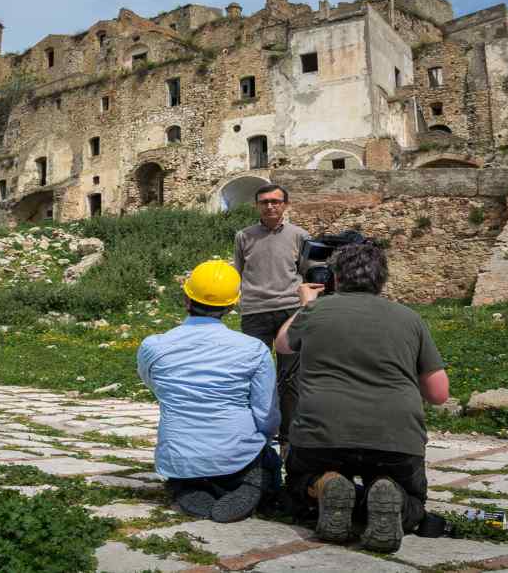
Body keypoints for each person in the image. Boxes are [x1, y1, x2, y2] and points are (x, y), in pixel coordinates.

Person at [273, 242, 452, 552]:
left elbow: (283, 345)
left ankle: (324, 483)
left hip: (322, 436)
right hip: (395, 438)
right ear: (381, 280)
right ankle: (391, 494)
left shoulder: (315, 311)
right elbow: (439, 394)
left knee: (299, 487)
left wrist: (306, 304)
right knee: (412, 497)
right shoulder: (410, 318)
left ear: (336, 278)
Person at [137, 260, 281, 523]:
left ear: (186, 299)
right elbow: (266, 413)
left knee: (182, 470)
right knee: (267, 458)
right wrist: (266, 437)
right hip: (237, 452)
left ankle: (186, 487)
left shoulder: (153, 347)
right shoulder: (254, 350)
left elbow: (155, 386)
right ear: (232, 305)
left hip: (180, 453)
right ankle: (251, 483)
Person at [233, 184, 310, 451]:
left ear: (285, 205)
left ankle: (289, 439)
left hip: (290, 310)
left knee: (290, 376)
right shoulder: (244, 236)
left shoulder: (299, 235)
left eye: (275, 201)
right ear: (257, 206)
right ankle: (256, 435)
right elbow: (240, 271)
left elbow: (304, 272)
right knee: (254, 374)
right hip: (255, 312)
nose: (270, 206)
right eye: (264, 202)